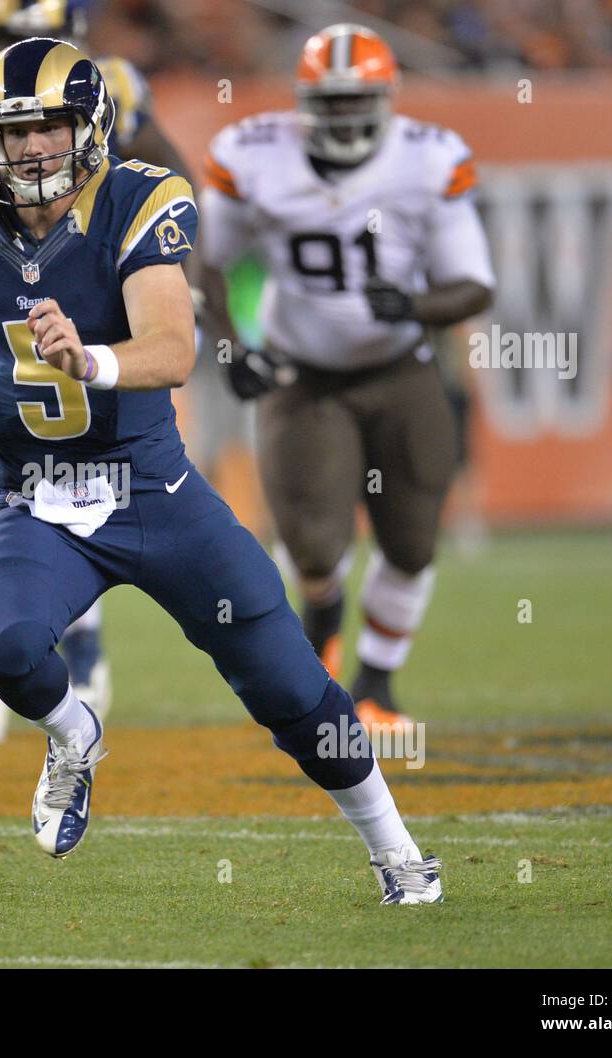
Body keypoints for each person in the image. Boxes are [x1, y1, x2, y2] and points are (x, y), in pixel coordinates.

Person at [0, 38, 443, 905]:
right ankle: (74, 735)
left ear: (91, 125)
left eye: (52, 125)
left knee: (289, 684)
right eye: (15, 130)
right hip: (32, 499)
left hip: (151, 491)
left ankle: (396, 849)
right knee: (6, 650)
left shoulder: (140, 197)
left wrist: (93, 361)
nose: (34, 146)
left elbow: (173, 346)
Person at [0, 0, 193, 744]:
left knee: (93, 473)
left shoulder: (114, 86)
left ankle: (81, 640)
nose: (25, 55)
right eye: (7, 41)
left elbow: (171, 189)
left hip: (92, 305)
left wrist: (179, 286)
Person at [200, 23, 495, 734]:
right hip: (304, 375)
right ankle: (323, 610)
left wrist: (417, 306)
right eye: (326, 102)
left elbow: (474, 284)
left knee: (413, 541)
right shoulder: (254, 154)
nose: (340, 116)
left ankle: (377, 685)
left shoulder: (429, 160)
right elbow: (207, 264)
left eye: (353, 100)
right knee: (314, 547)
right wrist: (236, 350)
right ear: (304, 102)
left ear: (386, 100)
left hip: (400, 368)